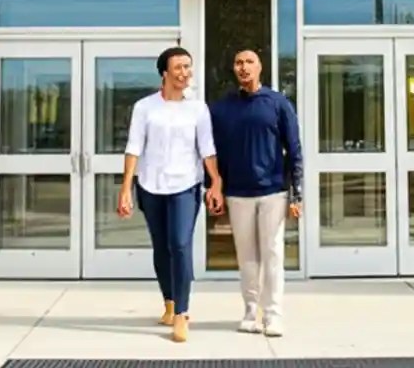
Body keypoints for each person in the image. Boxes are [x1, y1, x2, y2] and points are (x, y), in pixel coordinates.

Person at [117, 46, 223, 343]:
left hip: (186, 185)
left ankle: (182, 314)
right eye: (178, 67)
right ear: (164, 72)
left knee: (179, 244)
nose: (185, 72)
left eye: (188, 67)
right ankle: (169, 303)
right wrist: (126, 187)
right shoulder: (145, 107)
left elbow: (208, 149)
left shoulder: (198, 108)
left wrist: (216, 182)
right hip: (150, 185)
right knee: (161, 247)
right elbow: (134, 147)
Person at [208, 48, 303, 338]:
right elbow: (213, 153)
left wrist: (296, 193)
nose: (244, 67)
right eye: (238, 62)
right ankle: (251, 311)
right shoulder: (222, 109)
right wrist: (214, 188)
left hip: (273, 191)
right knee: (247, 256)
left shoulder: (278, 103)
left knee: (272, 253)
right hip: (237, 193)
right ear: (234, 69)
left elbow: (295, 149)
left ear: (260, 67)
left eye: (249, 62)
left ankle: (273, 315)